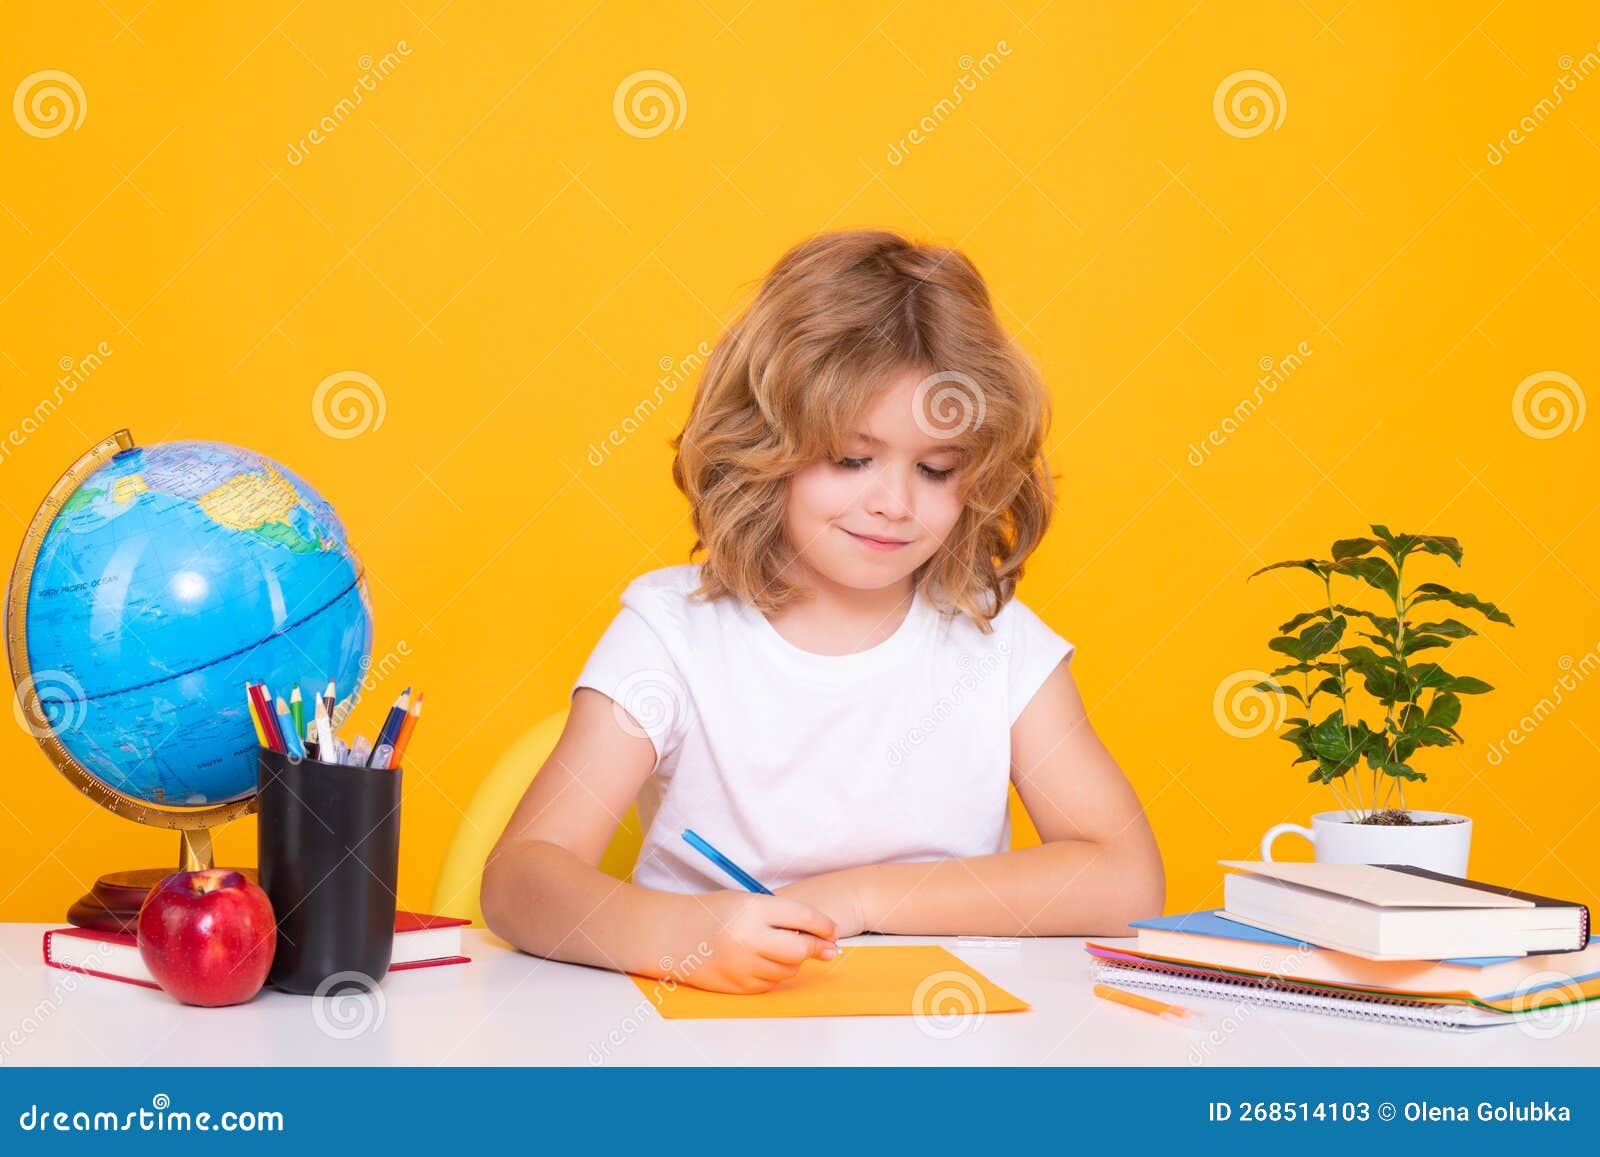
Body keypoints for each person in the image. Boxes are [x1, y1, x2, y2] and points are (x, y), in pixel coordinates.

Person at [482, 229, 1164, 993]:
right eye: (851, 459)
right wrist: (683, 933)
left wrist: (864, 895)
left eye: (936, 469)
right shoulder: (671, 634)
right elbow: (517, 881)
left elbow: (1126, 878)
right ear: (761, 443)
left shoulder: (995, 641)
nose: (895, 504)